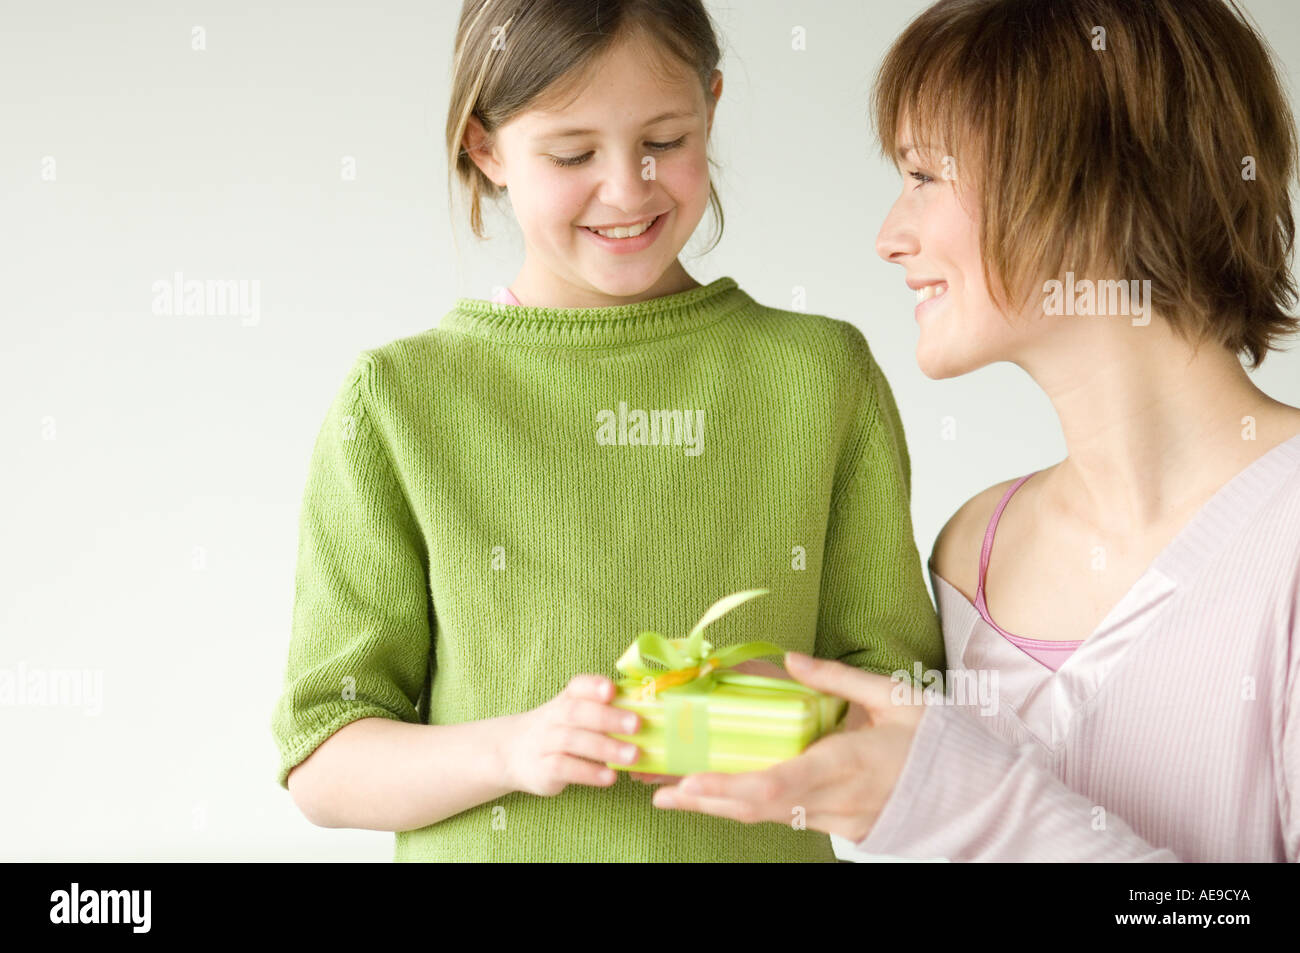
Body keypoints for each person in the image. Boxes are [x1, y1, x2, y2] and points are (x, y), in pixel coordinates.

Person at [269, 0, 944, 862]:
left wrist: (764, 715)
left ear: (713, 106)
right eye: (573, 153)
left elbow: (909, 712)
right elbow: (323, 761)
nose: (627, 189)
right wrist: (514, 749)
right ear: (485, 148)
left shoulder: (820, 375)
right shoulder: (397, 402)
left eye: (665, 139)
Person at [652, 0, 1300, 862]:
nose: (889, 237)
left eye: (924, 176)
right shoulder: (973, 554)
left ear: (1092, 180)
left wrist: (968, 798)